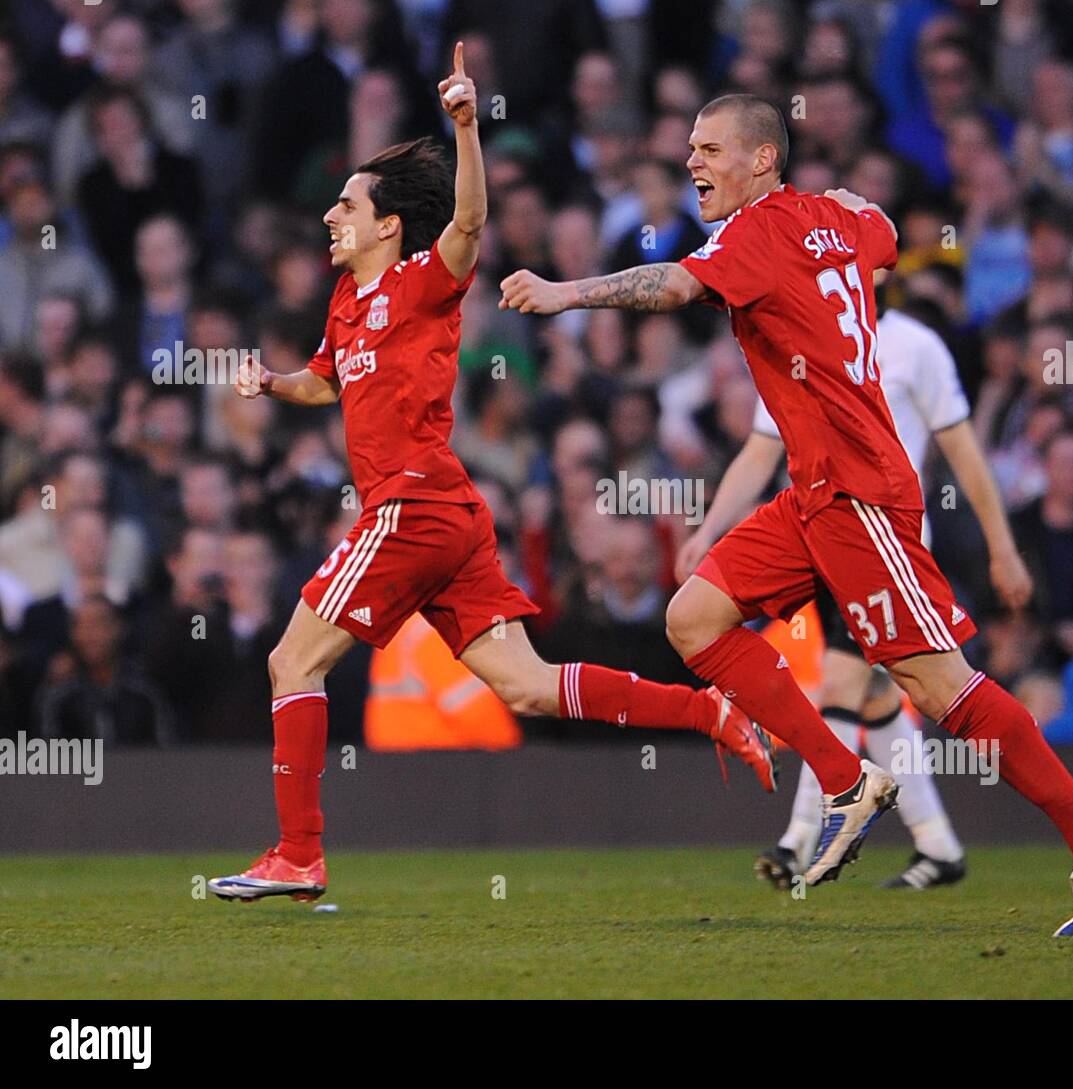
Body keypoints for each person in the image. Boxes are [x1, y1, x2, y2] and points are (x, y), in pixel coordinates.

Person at [500, 93, 1073, 936]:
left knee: (940, 685)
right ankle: (847, 780)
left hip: (860, 493)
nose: (692, 163)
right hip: (814, 492)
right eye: (690, 148)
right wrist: (851, 203)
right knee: (694, 617)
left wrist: (566, 292)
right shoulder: (829, 223)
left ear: (762, 159)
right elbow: (878, 231)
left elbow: (668, 284)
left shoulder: (753, 232)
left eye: (708, 149)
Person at [207, 47, 774, 905]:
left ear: (389, 223)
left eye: (346, 204)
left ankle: (299, 853)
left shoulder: (420, 284)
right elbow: (324, 381)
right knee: (529, 686)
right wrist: (274, 382)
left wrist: (466, 126)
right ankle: (710, 711)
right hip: (450, 517)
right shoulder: (347, 305)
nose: (329, 214)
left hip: (410, 507)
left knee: (293, 661)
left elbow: (469, 224)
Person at [674, 295, 1033, 890]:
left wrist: (1003, 547)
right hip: (823, 537)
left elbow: (964, 454)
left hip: (888, 542)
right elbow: (761, 452)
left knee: (845, 683)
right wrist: (709, 530)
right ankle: (938, 845)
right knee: (875, 698)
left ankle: (799, 839)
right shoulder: (801, 340)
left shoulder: (916, 346)